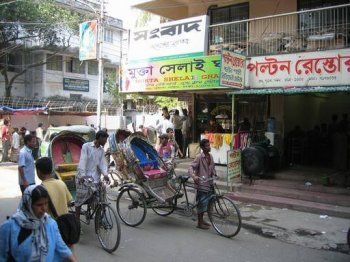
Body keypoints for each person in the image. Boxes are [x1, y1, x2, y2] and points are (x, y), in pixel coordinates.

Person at [0, 185, 77, 261]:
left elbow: (61, 247)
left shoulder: (50, 223)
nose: (44, 209)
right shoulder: (9, 227)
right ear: (28, 204)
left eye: (46, 203)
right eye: (39, 205)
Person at [75, 130, 110, 219]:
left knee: (100, 197)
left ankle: (99, 219)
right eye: (105, 139)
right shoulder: (86, 146)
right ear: (99, 138)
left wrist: (105, 174)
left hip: (95, 178)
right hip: (84, 177)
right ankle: (77, 220)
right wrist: (82, 175)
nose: (106, 142)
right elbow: (83, 160)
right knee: (79, 200)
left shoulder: (101, 150)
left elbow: (102, 163)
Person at [188, 139, 216, 230]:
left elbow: (212, 167)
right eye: (207, 146)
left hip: (210, 183)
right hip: (202, 184)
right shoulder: (199, 157)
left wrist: (215, 174)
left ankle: (202, 220)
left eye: (209, 145)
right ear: (202, 148)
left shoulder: (210, 156)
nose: (209, 147)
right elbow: (191, 167)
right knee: (201, 203)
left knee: (208, 203)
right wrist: (194, 176)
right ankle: (199, 223)